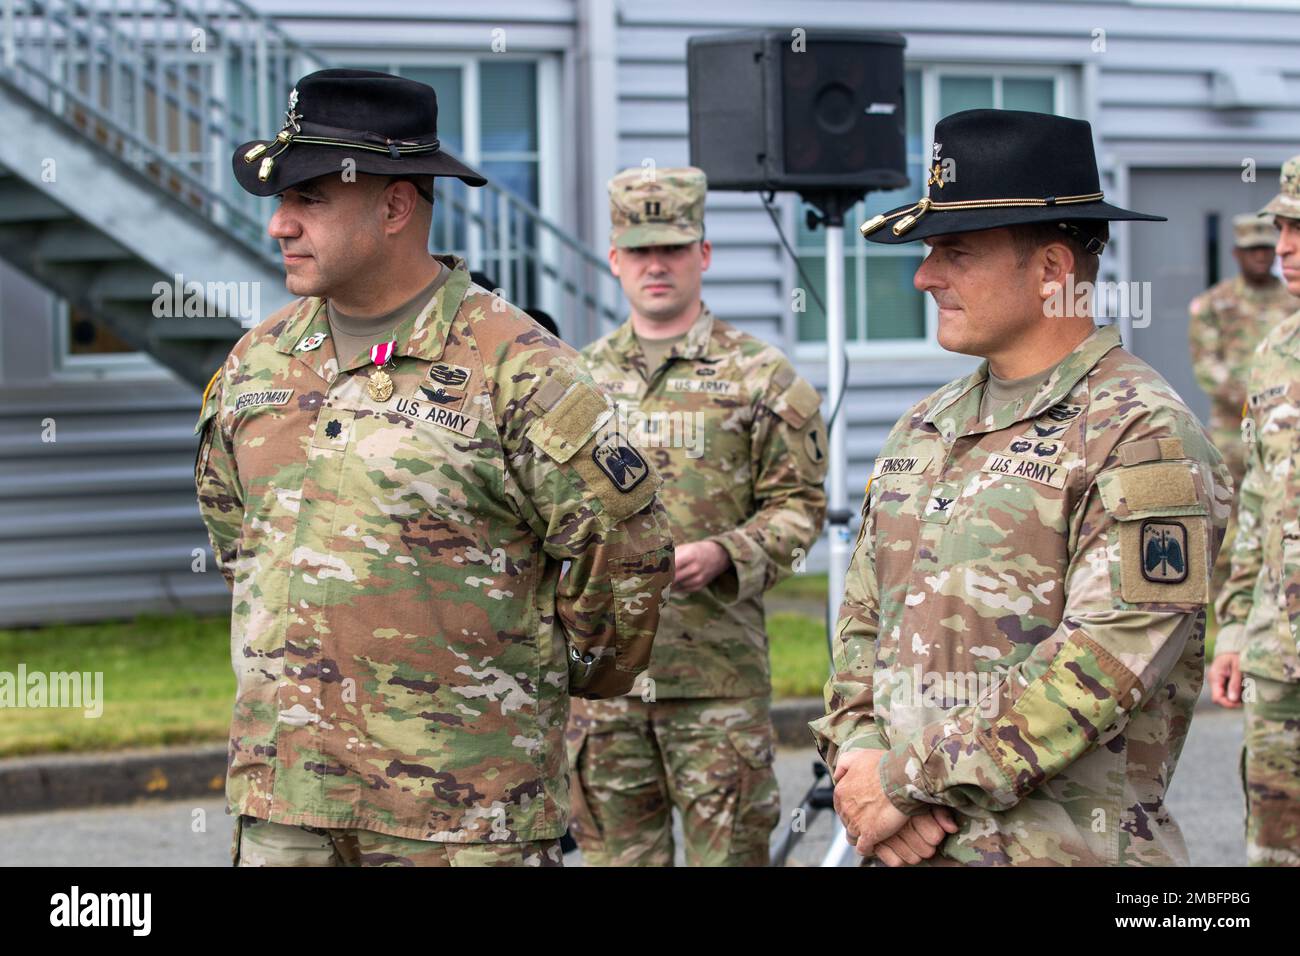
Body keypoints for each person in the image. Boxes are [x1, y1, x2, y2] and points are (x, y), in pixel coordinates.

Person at [195, 68, 673, 867]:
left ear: (393, 206)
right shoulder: (258, 362)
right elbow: (238, 543)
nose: (280, 224)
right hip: (284, 805)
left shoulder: (518, 368)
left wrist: (543, 687)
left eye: (309, 198)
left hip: (462, 817)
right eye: (280, 200)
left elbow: (625, 560)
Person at [811, 109, 1233, 866]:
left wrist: (903, 784)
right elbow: (861, 631)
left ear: (1049, 270)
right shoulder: (925, 425)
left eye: (956, 251)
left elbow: (1103, 666)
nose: (923, 275)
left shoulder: (1143, 435)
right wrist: (859, 765)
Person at [565, 166, 828, 866]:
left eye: (674, 249)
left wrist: (725, 554)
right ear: (615, 258)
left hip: (715, 684)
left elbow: (801, 508)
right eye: (641, 250)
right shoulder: (573, 381)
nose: (658, 265)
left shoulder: (762, 377)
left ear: (703, 255)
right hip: (604, 686)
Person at [1208, 154, 1300, 866]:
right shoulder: (1273, 356)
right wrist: (1235, 627)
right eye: (1280, 227)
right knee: (1273, 850)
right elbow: (1257, 505)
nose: (1285, 247)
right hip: (1280, 655)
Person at [1188, 213, 1299, 594]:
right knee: (1225, 518)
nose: (1262, 256)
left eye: (1266, 249)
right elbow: (1207, 367)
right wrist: (1258, 395)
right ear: (1236, 253)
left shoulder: (1292, 301)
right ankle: (1225, 601)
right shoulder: (1213, 305)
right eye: (1252, 250)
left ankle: (1272, 592)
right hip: (1230, 430)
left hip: (1284, 431)